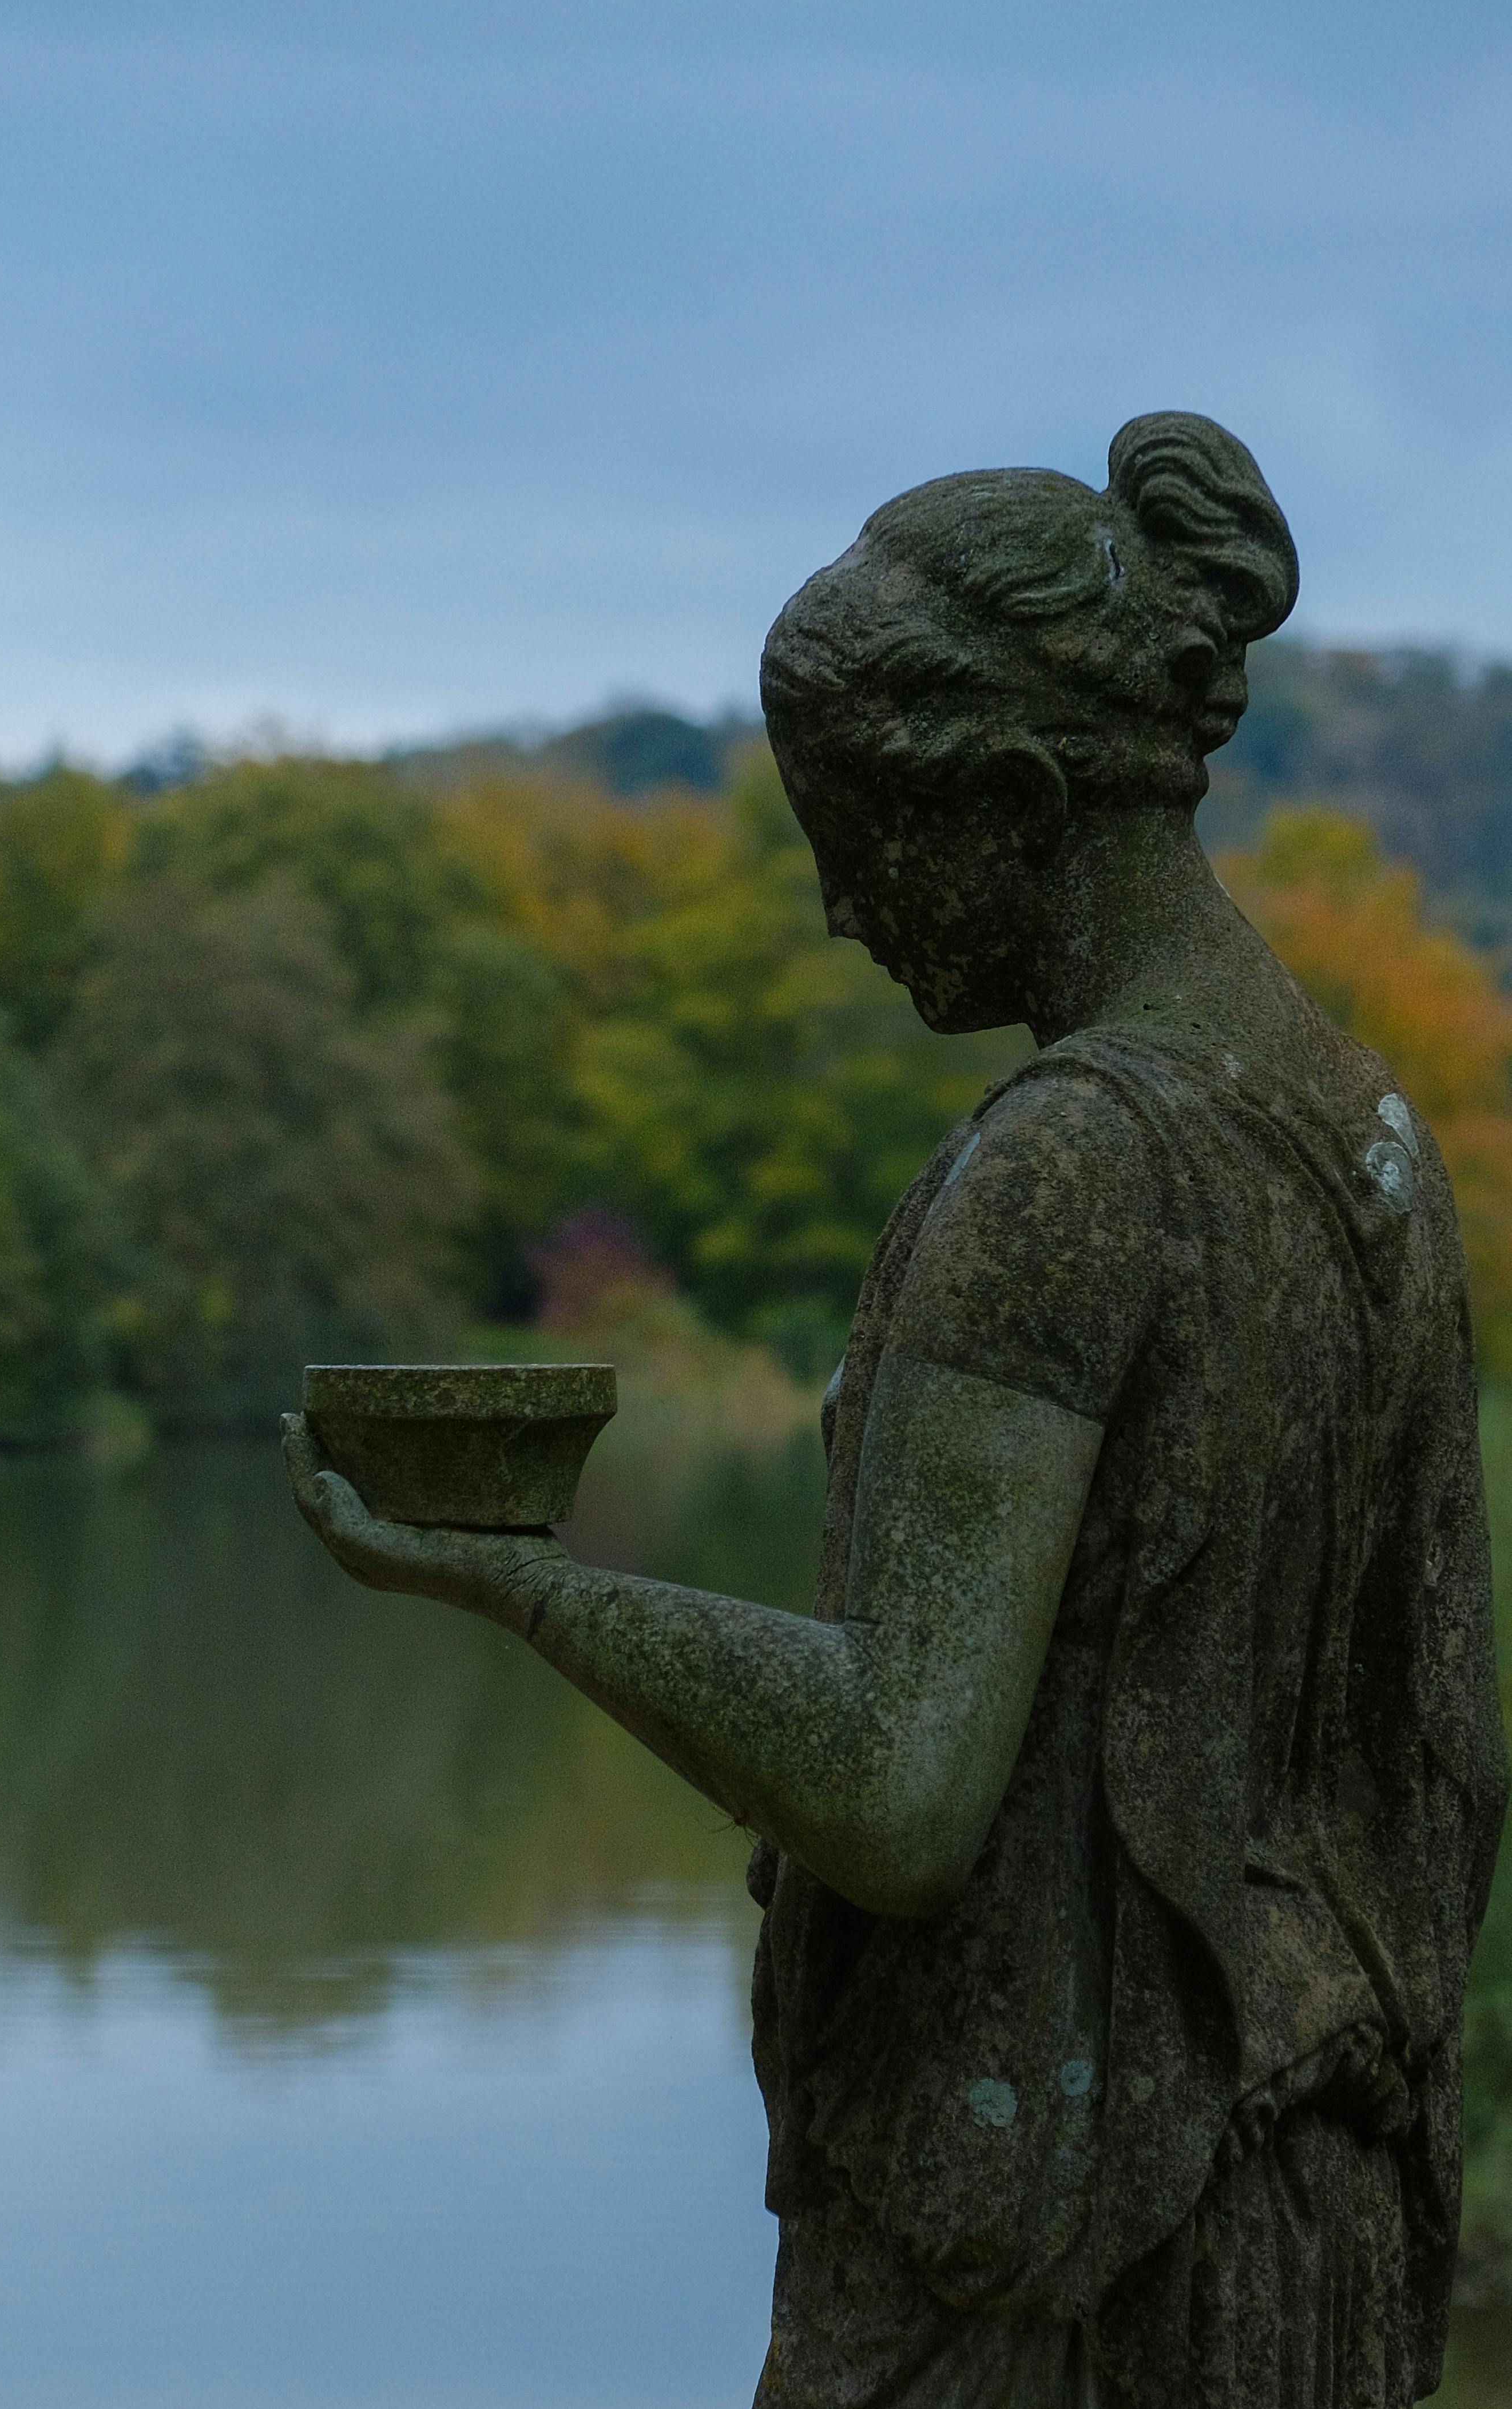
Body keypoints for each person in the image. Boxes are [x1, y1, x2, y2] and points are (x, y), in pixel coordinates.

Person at [284, 412, 1507, 2408]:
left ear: (1012, 800)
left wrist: (518, 1581)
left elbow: (895, 1786)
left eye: (855, 846)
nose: (846, 916)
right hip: (1307, 2222)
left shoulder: (1063, 1175)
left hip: (1050, 2264)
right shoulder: (1367, 1132)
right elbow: (1444, 1749)